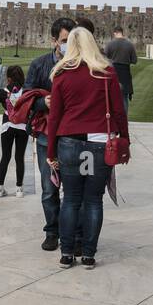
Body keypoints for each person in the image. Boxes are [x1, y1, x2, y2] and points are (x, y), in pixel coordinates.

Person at [46, 27, 127, 269]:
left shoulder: (62, 74)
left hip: (70, 140)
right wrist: (125, 141)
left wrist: (51, 151)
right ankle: (89, 253)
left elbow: (54, 117)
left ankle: (67, 252)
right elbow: (119, 110)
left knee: (70, 199)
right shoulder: (106, 73)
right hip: (99, 141)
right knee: (93, 200)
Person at [26, 17, 76, 250]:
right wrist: (41, 102)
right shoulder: (39, 64)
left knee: (74, 190)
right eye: (65, 40)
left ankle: (72, 232)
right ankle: (52, 231)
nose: (69, 44)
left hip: (74, 136)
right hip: (47, 136)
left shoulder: (80, 64)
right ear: (54, 40)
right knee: (49, 189)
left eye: (72, 40)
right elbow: (24, 97)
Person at [0, 64, 29, 197]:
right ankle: (19, 189)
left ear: (8, 79)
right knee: (19, 157)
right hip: (22, 127)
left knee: (5, 156)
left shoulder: (5, 92)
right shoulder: (26, 92)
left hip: (7, 126)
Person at [104, 26, 138, 112]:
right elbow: (134, 60)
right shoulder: (129, 44)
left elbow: (104, 59)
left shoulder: (110, 44)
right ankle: (124, 119)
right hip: (125, 72)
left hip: (112, 71)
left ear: (115, 33)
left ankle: (112, 119)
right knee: (124, 98)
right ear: (122, 33)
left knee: (111, 97)